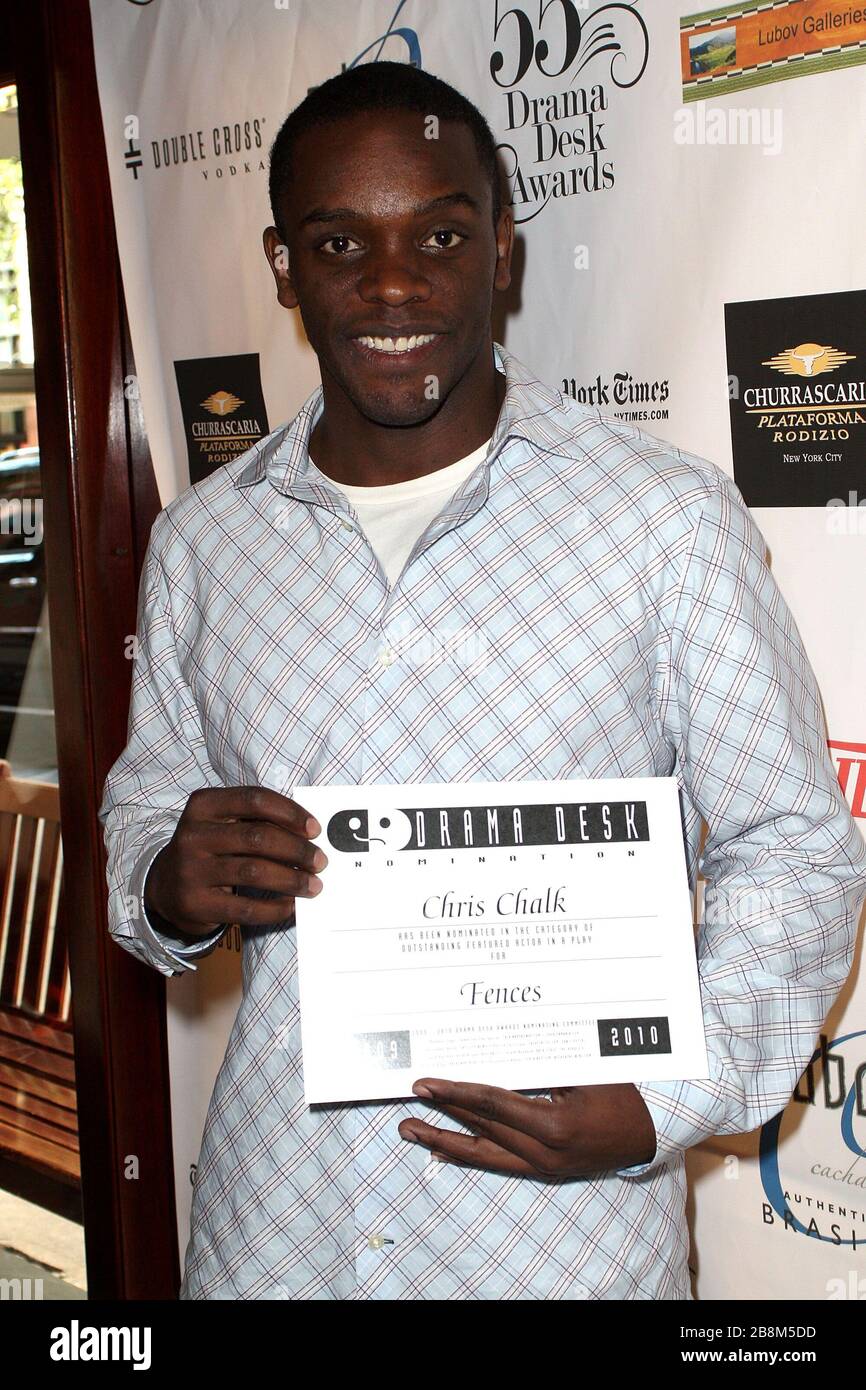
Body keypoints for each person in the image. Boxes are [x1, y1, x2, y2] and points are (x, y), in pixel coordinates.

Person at [99, 61, 866, 1301]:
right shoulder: (205, 542)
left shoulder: (657, 521)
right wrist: (166, 880)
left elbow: (792, 846)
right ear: (283, 265)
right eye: (338, 240)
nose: (392, 284)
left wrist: (667, 1097)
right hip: (274, 1239)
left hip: (554, 1252)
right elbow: (147, 811)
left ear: (503, 252)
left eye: (440, 235)